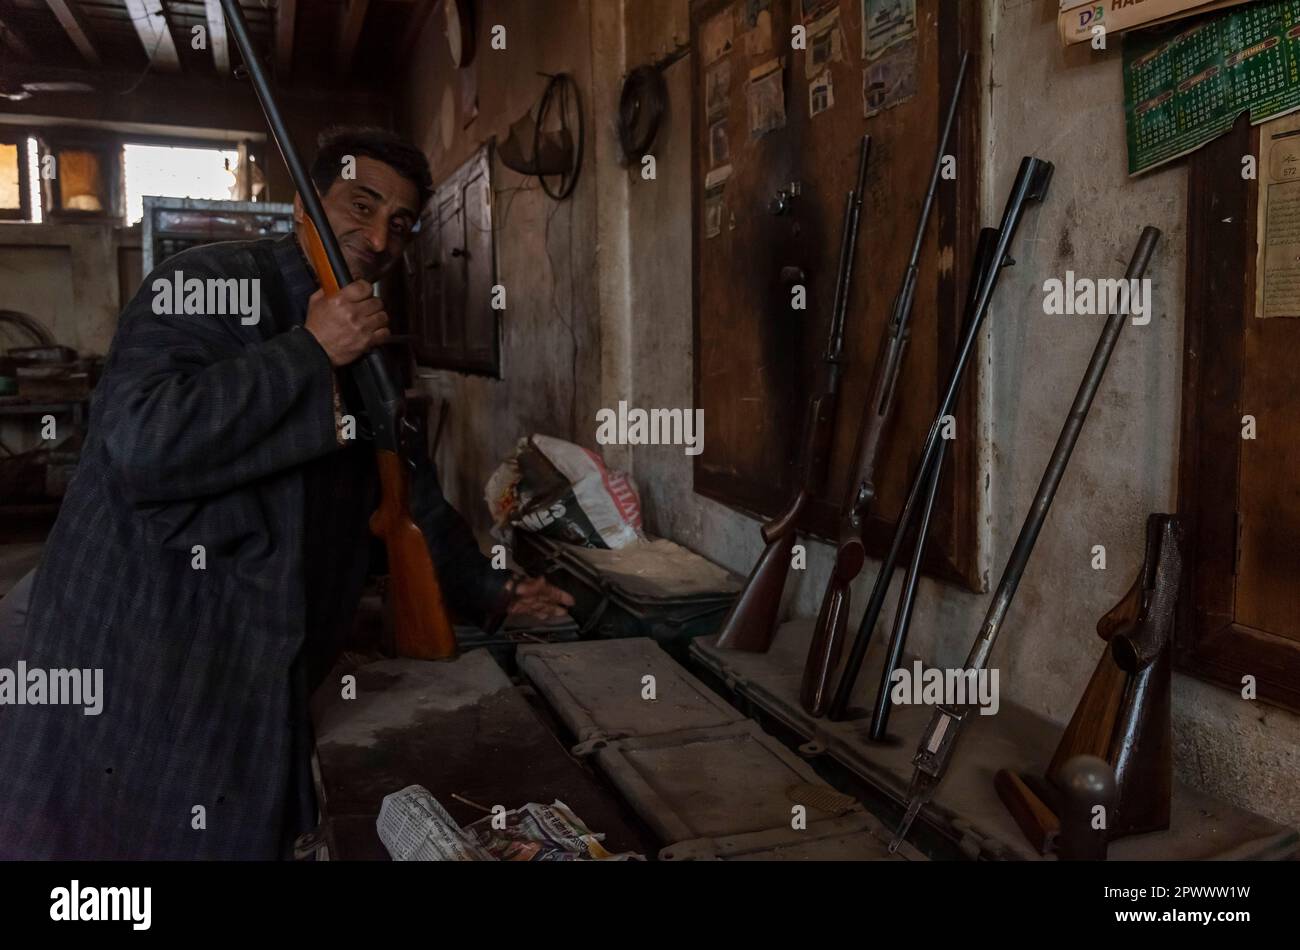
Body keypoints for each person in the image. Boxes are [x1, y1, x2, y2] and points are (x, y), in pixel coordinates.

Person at [0, 127, 572, 860]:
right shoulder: (207, 281)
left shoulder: (360, 323)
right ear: (304, 205)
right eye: (358, 207)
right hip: (145, 644)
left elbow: (401, 484)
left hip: (262, 666)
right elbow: (142, 445)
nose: (378, 236)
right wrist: (307, 353)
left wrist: (490, 590)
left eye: (400, 223)